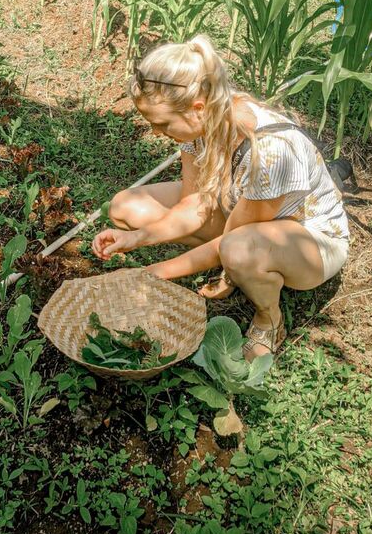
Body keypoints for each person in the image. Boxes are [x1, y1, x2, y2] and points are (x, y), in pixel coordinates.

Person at [91, 35, 350, 360]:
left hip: (310, 240)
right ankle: (237, 268)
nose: (156, 132)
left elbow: (232, 238)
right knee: (125, 208)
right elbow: (194, 203)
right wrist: (136, 238)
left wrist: (153, 273)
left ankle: (269, 319)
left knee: (236, 250)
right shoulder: (200, 125)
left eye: (161, 124)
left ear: (197, 109)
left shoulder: (271, 152)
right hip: (242, 215)